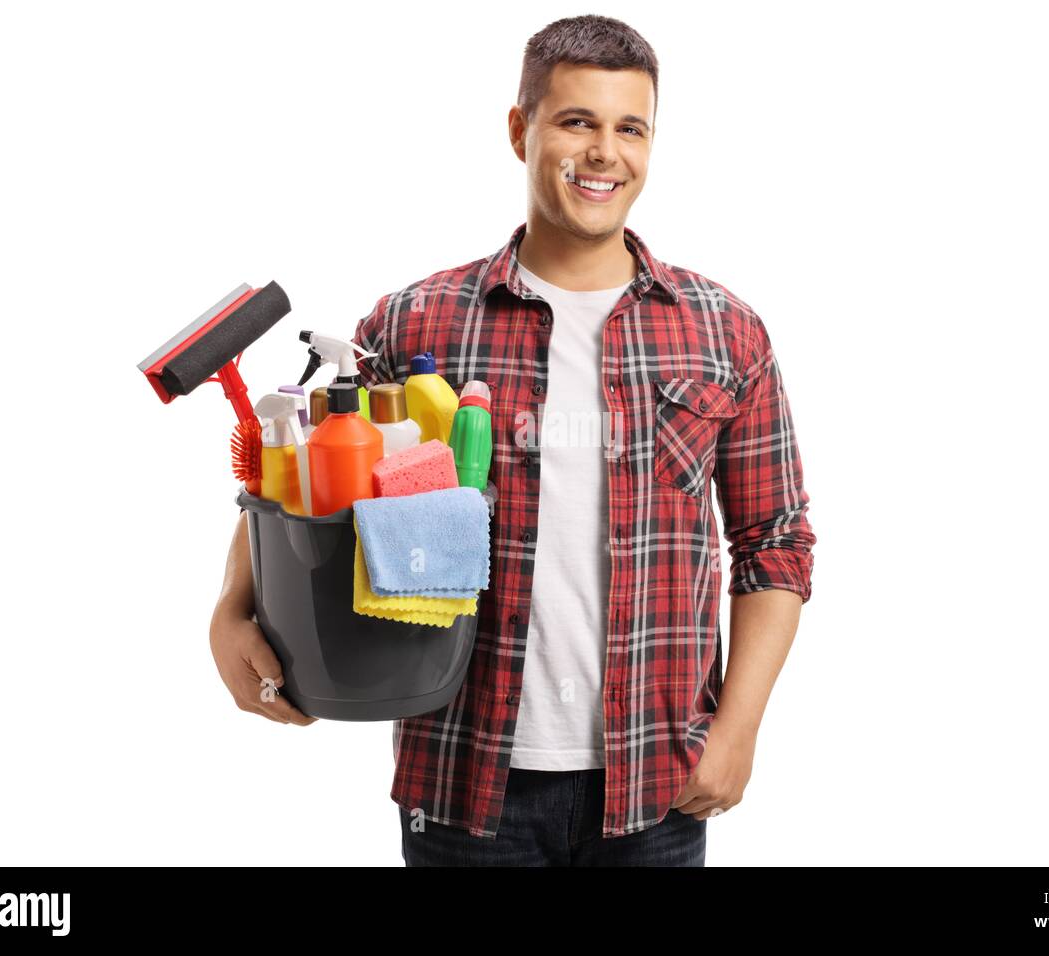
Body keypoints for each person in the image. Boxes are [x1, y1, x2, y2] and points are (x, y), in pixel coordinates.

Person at [209, 14, 815, 867]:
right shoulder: (419, 321)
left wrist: (740, 729)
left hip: (657, 784)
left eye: (629, 128)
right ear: (520, 130)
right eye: (577, 122)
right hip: (464, 775)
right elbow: (310, 473)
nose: (605, 152)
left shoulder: (724, 332)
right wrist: (232, 609)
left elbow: (775, 541)